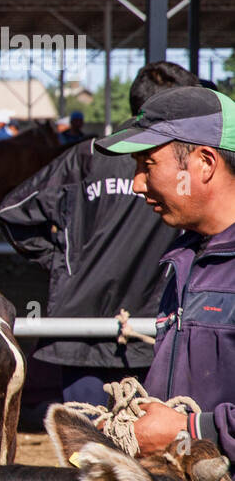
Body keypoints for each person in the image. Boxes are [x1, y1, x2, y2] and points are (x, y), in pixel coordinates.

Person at [0, 62, 200, 406]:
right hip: (152, 331)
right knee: (143, 449)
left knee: (89, 449)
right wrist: (64, 260)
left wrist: (65, 261)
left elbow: (12, 212)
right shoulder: (188, 168)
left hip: (84, 327)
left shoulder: (87, 157)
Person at [95, 85, 235, 458]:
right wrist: (139, 423)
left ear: (204, 163)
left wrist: (191, 430)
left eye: (148, 165)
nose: (138, 184)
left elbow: (188, 426)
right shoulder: (185, 258)